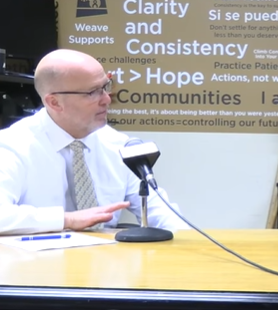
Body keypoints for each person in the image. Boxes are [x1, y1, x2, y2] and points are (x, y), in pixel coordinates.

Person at [0, 49, 188, 235]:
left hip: (105, 261)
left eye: (106, 86)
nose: (106, 99)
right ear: (54, 102)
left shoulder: (118, 146)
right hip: (35, 263)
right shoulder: (12, 146)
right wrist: (68, 220)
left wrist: (191, 241)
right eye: (92, 93)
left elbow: (161, 213)